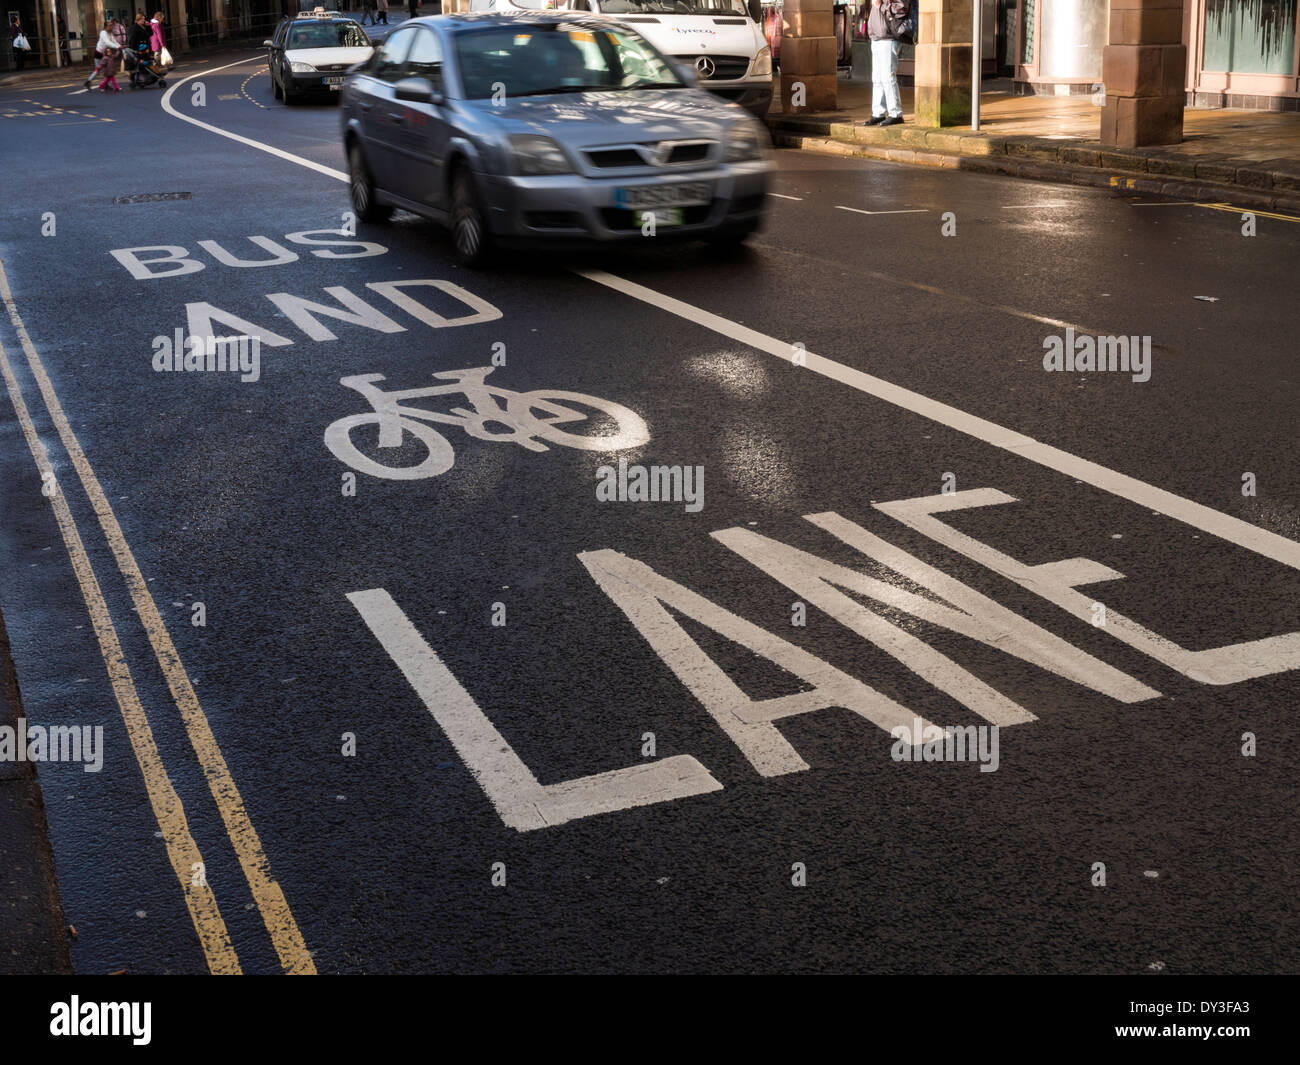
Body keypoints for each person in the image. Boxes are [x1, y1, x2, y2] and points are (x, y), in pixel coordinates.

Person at [863, 0, 908, 127]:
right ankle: (878, 112)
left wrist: (881, 6)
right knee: (877, 78)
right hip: (876, 38)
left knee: (888, 77)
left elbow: (901, 8)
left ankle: (896, 113)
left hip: (888, 38)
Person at [91, 20, 124, 91]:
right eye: (110, 25)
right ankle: (88, 81)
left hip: (105, 54)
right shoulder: (103, 33)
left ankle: (106, 85)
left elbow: (114, 41)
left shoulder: (110, 33)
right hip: (98, 53)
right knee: (98, 70)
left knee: (108, 71)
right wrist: (117, 47)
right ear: (106, 26)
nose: (111, 27)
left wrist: (119, 46)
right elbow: (107, 42)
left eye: (112, 25)